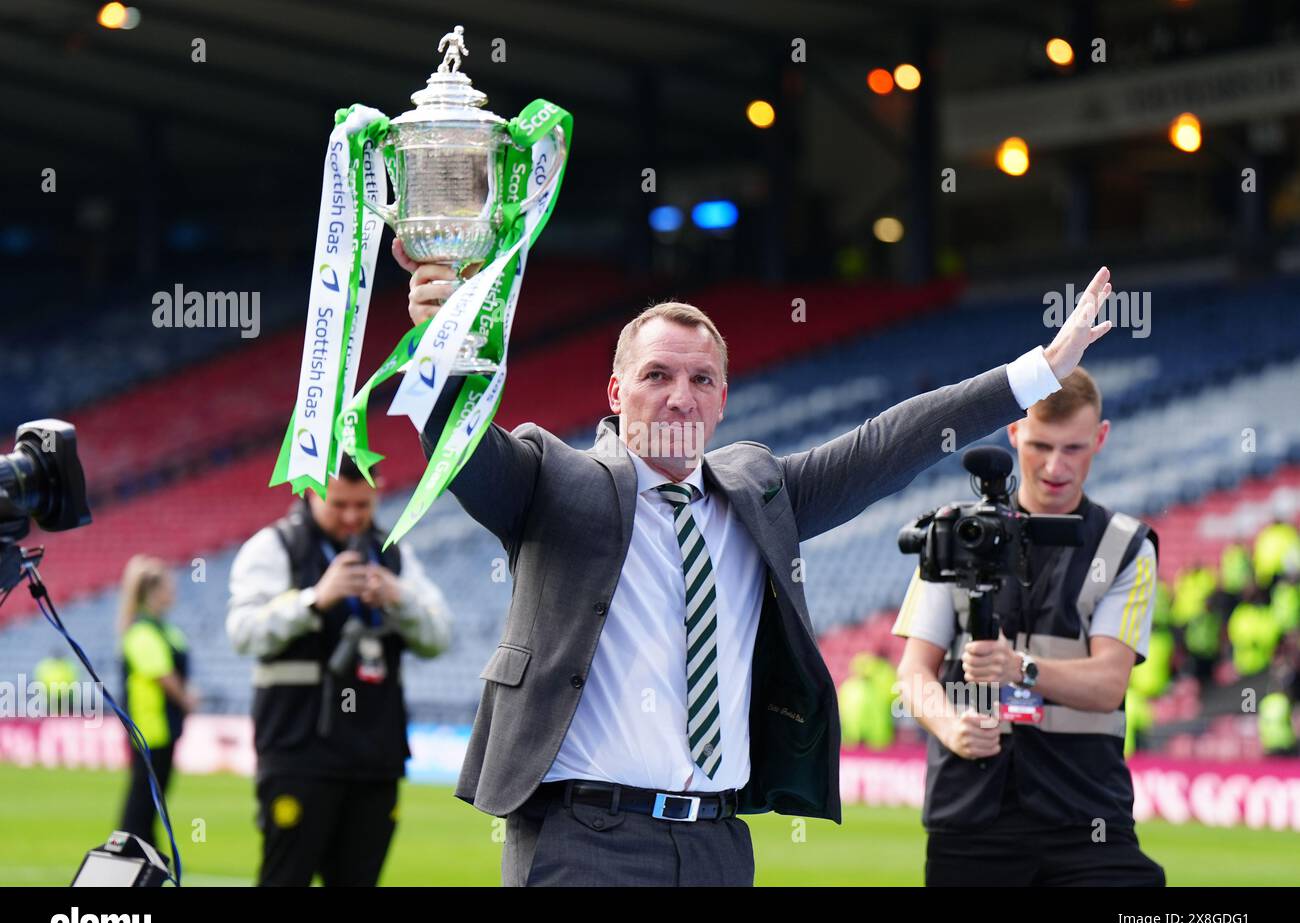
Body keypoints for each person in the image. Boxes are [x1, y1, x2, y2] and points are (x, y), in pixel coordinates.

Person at [395, 238, 1117, 886]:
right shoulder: (554, 480)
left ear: (723, 401)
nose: (681, 397)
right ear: (616, 393)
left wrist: (1040, 373)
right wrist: (438, 342)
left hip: (718, 846)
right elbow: (464, 450)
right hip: (585, 842)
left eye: (702, 380)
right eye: (657, 375)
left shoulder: (759, 491)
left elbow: (888, 442)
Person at [892, 367, 1166, 886]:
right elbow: (912, 676)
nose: (1055, 466)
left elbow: (1109, 684)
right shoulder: (954, 533)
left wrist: (1021, 668)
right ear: (1015, 433)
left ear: (1100, 439)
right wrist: (953, 727)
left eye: (1074, 448)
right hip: (970, 815)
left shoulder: (1126, 544)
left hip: (1085, 812)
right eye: (1041, 445)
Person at [226, 457, 453, 886]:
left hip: (375, 756)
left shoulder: (395, 553)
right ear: (312, 489)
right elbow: (243, 633)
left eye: (363, 506)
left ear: (379, 491)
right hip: (298, 753)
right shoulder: (273, 546)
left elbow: (439, 637)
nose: (352, 517)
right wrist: (314, 600)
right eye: (339, 504)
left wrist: (398, 598)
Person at [118, 555, 197, 852]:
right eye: (168, 586)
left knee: (153, 793)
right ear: (153, 591)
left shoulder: (161, 630)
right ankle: (131, 848)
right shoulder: (142, 631)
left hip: (165, 724)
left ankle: (146, 849)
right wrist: (186, 698)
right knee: (144, 794)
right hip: (150, 725)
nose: (173, 592)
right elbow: (162, 674)